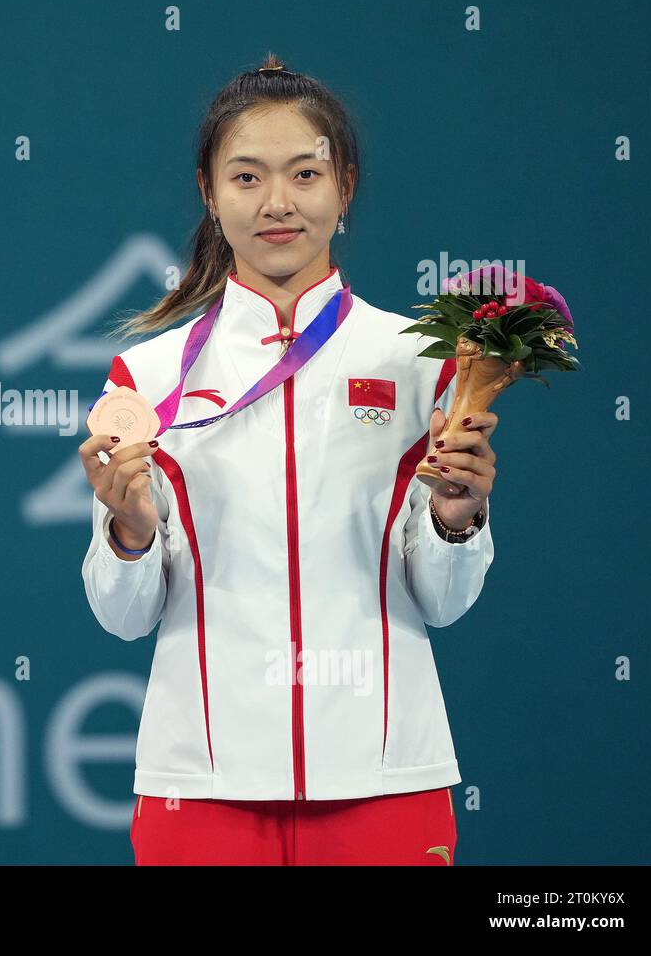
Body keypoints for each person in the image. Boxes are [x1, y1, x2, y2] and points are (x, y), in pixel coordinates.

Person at [79, 54, 496, 865]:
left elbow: (441, 604)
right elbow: (123, 616)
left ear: (344, 188)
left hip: (386, 774)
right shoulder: (152, 378)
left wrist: (456, 519)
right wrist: (127, 533)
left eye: (305, 174)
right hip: (200, 785)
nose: (277, 203)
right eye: (247, 178)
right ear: (208, 192)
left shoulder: (421, 362)